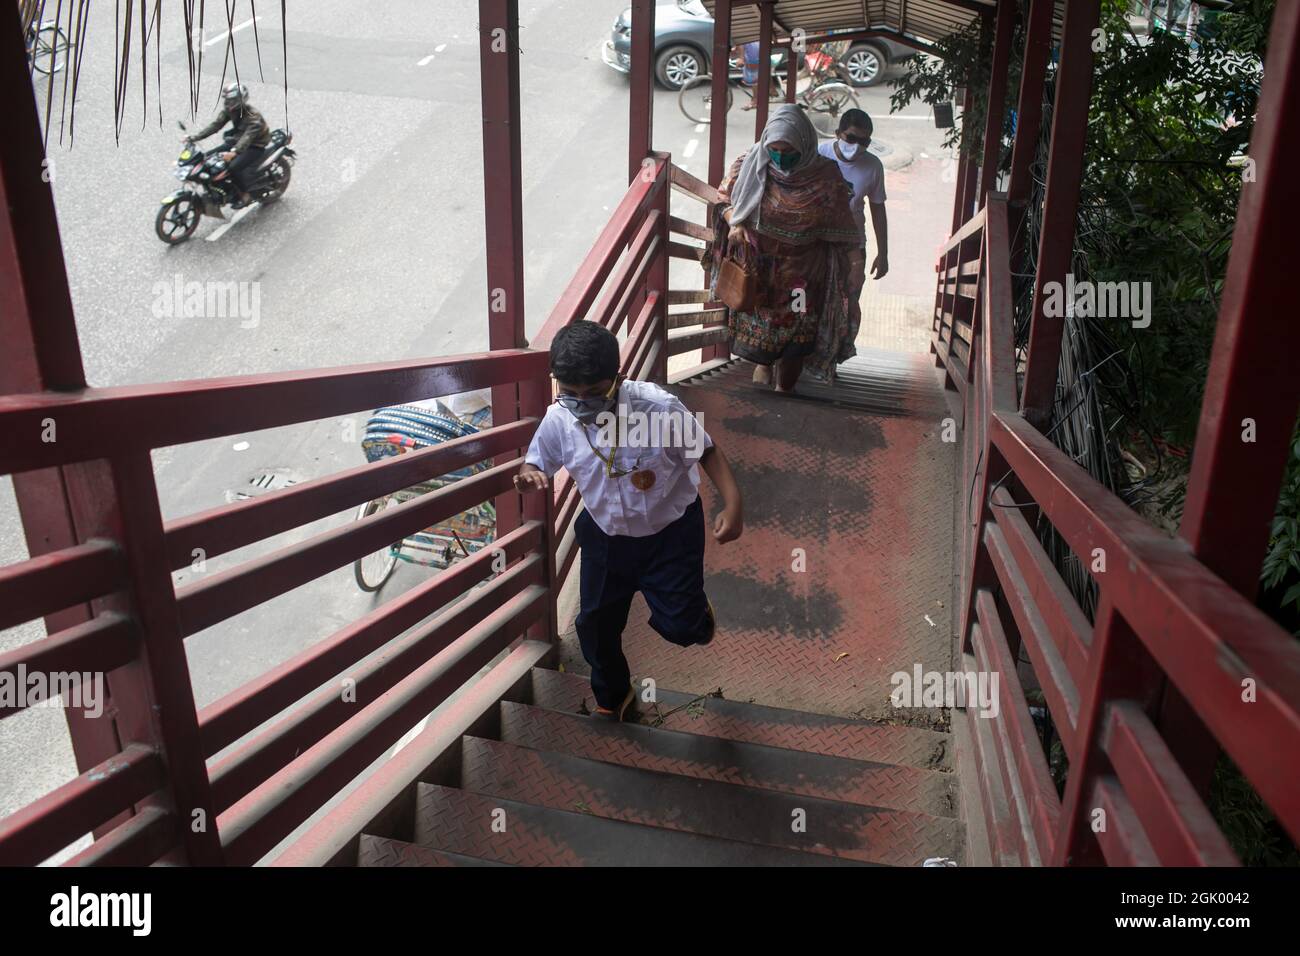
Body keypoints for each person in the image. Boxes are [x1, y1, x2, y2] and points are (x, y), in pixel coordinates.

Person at [514, 321, 744, 721]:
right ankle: (614, 698)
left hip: (669, 534)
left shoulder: (658, 409)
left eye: (594, 392)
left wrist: (733, 504)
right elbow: (539, 457)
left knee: (682, 628)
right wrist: (533, 471)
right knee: (595, 626)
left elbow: (705, 451)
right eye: (570, 393)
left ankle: (695, 616)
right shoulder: (559, 418)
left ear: (617, 379)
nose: (582, 403)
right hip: (605, 536)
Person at [708, 104, 862, 391]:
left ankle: (784, 392)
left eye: (788, 151)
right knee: (763, 341)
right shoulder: (750, 163)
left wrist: (856, 266)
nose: (780, 157)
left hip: (803, 277)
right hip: (760, 272)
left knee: (797, 337)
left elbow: (844, 227)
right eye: (774, 149)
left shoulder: (827, 177)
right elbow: (723, 199)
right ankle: (763, 370)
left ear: (804, 143)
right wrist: (736, 222)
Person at [817, 109, 889, 335]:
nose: (857, 145)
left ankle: (836, 355)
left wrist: (883, 253)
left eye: (864, 141)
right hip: (818, 242)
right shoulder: (819, 153)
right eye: (851, 138)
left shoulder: (873, 166)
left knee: (848, 304)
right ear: (838, 133)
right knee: (815, 302)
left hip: (854, 247)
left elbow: (878, 210)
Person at [186, 82, 271, 208]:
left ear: (240, 100)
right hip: (237, 141)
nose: (228, 103)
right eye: (227, 100)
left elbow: (248, 137)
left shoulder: (254, 117)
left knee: (233, 168)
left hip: (255, 145)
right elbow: (216, 125)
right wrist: (195, 137)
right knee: (207, 157)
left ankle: (245, 195)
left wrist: (234, 152)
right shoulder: (230, 111)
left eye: (232, 100)